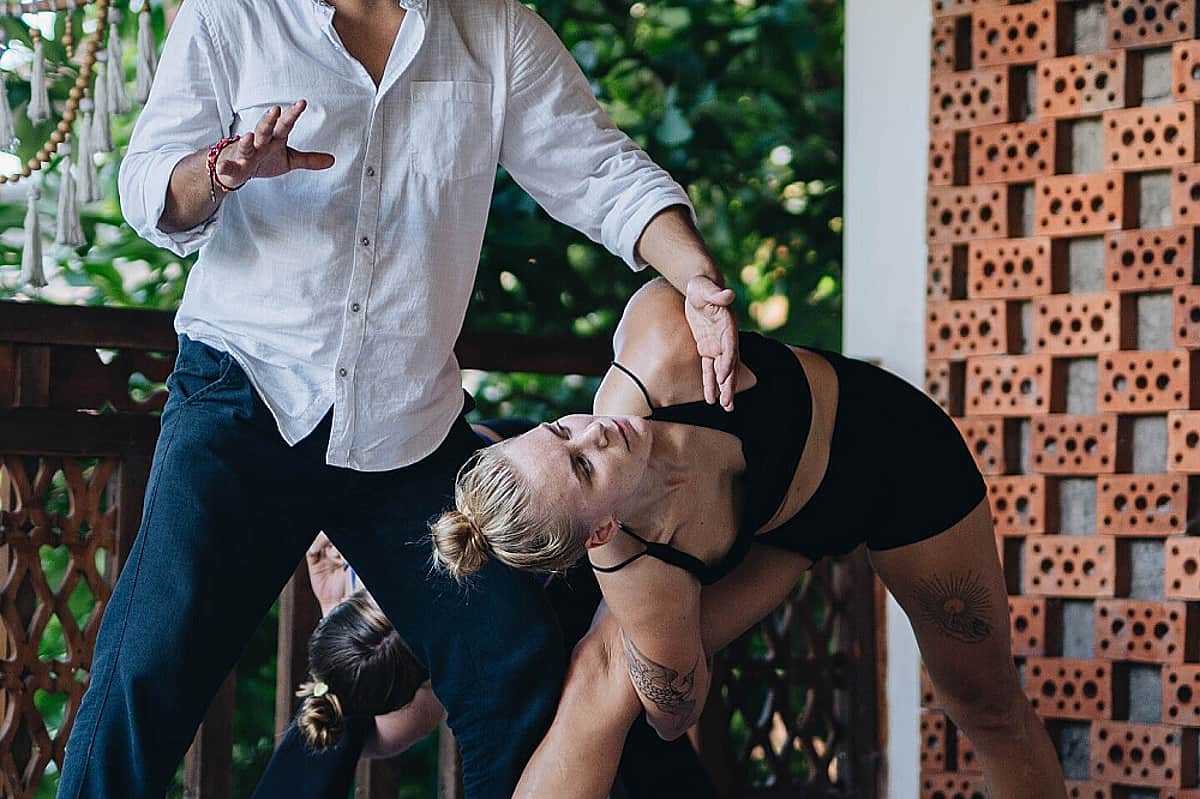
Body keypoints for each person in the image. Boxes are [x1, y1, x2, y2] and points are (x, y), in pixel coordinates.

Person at [57, 0, 740, 795]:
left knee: (508, 658)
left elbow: (598, 170)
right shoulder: (231, 13)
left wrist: (694, 275)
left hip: (407, 430)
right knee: (148, 668)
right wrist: (218, 169)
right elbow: (148, 188)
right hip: (245, 398)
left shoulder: (498, 31)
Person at [431, 278, 1069, 799]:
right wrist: (664, 657)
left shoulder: (660, 347)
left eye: (559, 430)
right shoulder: (641, 573)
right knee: (603, 679)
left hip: (895, 455)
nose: (592, 433)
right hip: (786, 537)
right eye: (582, 466)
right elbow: (675, 715)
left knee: (984, 704)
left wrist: (654, 650)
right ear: (599, 531)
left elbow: (687, 270)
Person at [253, 421, 720, 797]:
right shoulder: (368, 570)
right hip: (565, 541)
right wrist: (332, 608)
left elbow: (381, 730)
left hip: (562, 529)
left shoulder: (467, 661)